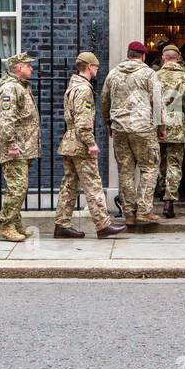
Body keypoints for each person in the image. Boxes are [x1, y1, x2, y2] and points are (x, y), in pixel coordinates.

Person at [54, 52, 126, 239]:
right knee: (93, 184)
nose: (97, 69)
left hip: (69, 141)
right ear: (88, 67)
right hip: (80, 143)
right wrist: (91, 143)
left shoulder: (73, 86)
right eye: (95, 66)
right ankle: (103, 225)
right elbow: (83, 121)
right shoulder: (84, 90)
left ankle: (61, 224)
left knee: (69, 185)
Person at [101, 41, 163, 227]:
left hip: (119, 127)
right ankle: (144, 210)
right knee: (150, 167)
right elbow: (157, 101)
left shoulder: (113, 73)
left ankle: (129, 213)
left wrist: (108, 122)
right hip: (143, 127)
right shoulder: (148, 74)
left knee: (125, 171)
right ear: (143, 56)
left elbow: (105, 100)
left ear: (128, 54)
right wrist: (161, 126)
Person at [0, 51, 40, 243]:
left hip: (25, 145)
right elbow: (7, 119)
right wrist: (12, 144)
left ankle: (15, 223)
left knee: (19, 187)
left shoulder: (21, 86)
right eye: (28, 65)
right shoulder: (9, 88)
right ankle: (6, 225)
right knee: (17, 188)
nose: (31, 68)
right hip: (16, 147)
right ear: (18, 67)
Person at [156, 44, 185, 218]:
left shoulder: (154, 77)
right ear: (178, 58)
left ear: (163, 57)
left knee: (160, 161)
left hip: (158, 123)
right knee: (175, 164)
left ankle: (161, 188)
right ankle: (169, 200)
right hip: (178, 122)